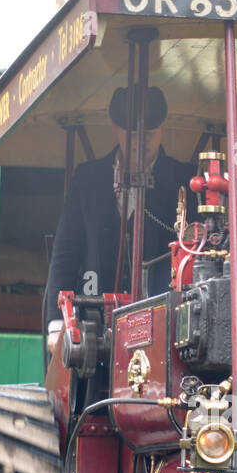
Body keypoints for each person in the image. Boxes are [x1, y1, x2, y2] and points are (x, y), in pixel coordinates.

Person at [44, 86, 193, 350]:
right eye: (132, 133)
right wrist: (56, 324)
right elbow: (65, 254)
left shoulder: (186, 181)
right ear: (114, 127)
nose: (141, 141)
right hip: (95, 325)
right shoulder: (88, 178)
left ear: (162, 129)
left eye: (150, 133)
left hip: (163, 329)